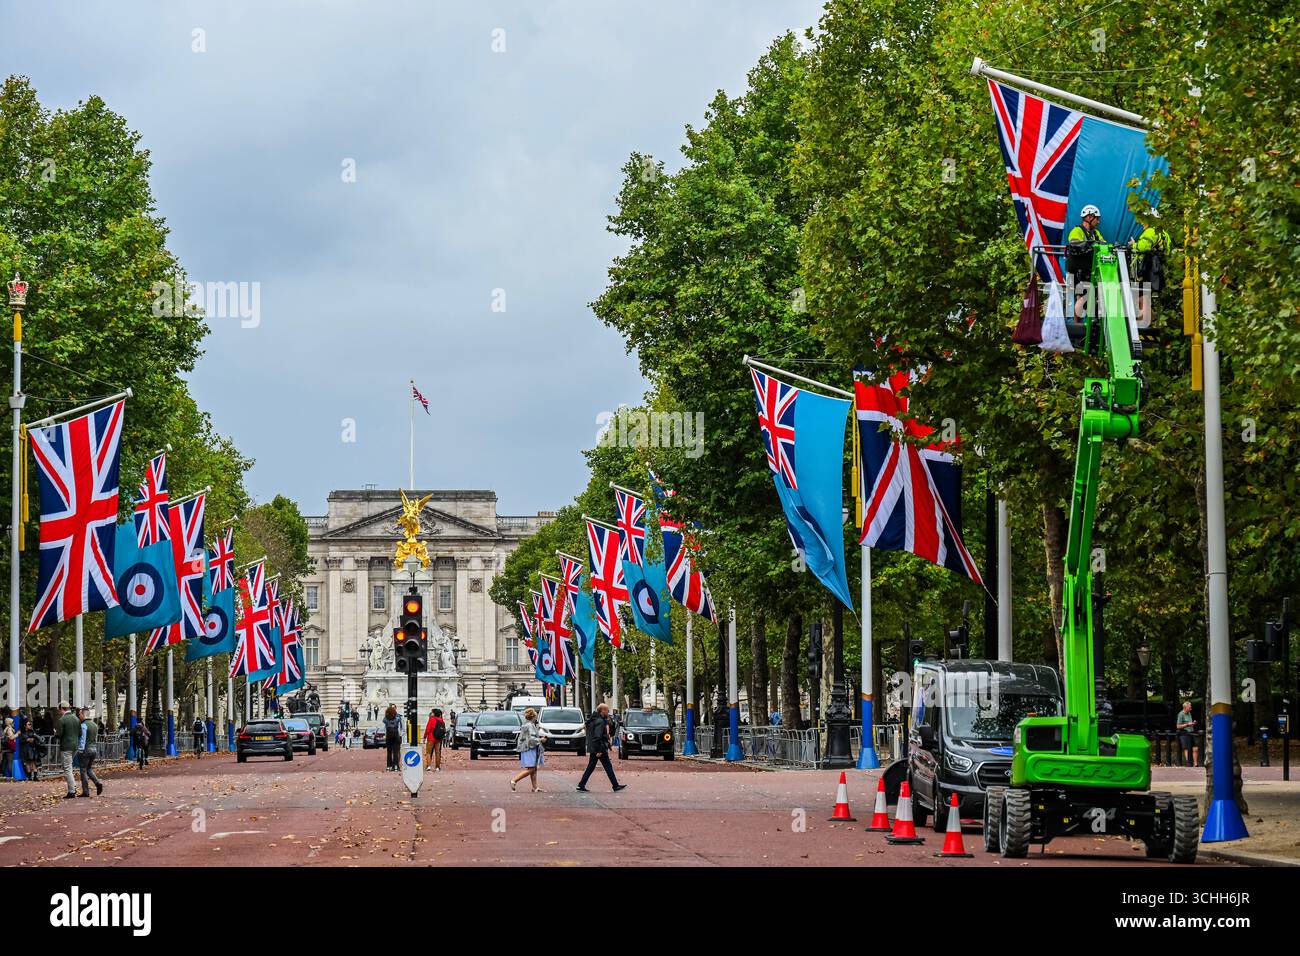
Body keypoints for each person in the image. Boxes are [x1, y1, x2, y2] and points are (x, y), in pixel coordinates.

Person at [1132, 207, 1172, 327]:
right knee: (1146, 296)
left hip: (1145, 270)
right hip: (1157, 272)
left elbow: (1143, 247)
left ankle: (1144, 324)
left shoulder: (1151, 231)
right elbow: (1168, 251)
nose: (1142, 223)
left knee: (1141, 296)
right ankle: (1149, 320)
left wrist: (1133, 245)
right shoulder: (1165, 234)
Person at [1067, 203, 1105, 319]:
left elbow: (1103, 244)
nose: (1098, 222)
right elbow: (1074, 243)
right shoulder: (1077, 231)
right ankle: (1076, 324)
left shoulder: (1095, 233)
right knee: (1080, 296)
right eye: (1097, 219)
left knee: (1088, 297)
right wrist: (1090, 245)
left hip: (1089, 270)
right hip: (1077, 270)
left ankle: (1086, 323)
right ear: (1089, 217)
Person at [577, 703, 625, 793]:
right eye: (607, 710)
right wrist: (599, 750)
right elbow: (598, 736)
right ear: (602, 711)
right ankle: (615, 785)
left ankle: (581, 784)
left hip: (596, 747)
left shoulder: (594, 720)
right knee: (607, 767)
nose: (608, 712)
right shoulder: (600, 721)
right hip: (599, 748)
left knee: (592, 767)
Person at [510, 708, 544, 792]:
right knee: (531, 768)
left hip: (528, 748)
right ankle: (514, 780)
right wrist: (541, 740)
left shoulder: (527, 725)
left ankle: (535, 787)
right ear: (533, 716)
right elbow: (531, 739)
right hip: (529, 748)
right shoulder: (530, 725)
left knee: (534, 768)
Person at [55, 702, 81, 799]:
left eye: (59, 710)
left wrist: (55, 733)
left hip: (66, 747)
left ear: (62, 708)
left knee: (67, 769)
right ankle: (73, 787)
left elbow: (59, 735)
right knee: (69, 767)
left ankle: (72, 791)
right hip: (75, 746)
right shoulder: (76, 719)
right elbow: (80, 733)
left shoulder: (62, 720)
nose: (59, 712)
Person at [77, 708, 103, 798]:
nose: (79, 716)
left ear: (84, 715)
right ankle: (97, 783)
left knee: (83, 770)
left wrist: (80, 749)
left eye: (80, 714)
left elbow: (83, 739)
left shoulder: (83, 725)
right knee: (89, 769)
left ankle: (86, 791)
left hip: (86, 750)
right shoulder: (95, 725)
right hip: (93, 749)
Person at [1176, 701, 1198, 767]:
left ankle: (1195, 764)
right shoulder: (1181, 714)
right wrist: (1187, 724)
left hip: (1191, 732)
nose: (1191, 708)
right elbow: (1178, 726)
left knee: (1195, 748)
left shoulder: (1189, 713)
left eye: (1191, 707)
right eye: (1189, 707)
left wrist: (1193, 723)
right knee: (1186, 748)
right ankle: (1189, 764)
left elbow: (1190, 722)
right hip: (1184, 733)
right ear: (1185, 708)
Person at [382, 704, 402, 771]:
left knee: (389, 752)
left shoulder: (386, 719)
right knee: (396, 751)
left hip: (389, 736)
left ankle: (389, 766)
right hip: (396, 736)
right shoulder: (398, 718)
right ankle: (395, 766)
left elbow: (384, 721)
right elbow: (400, 725)